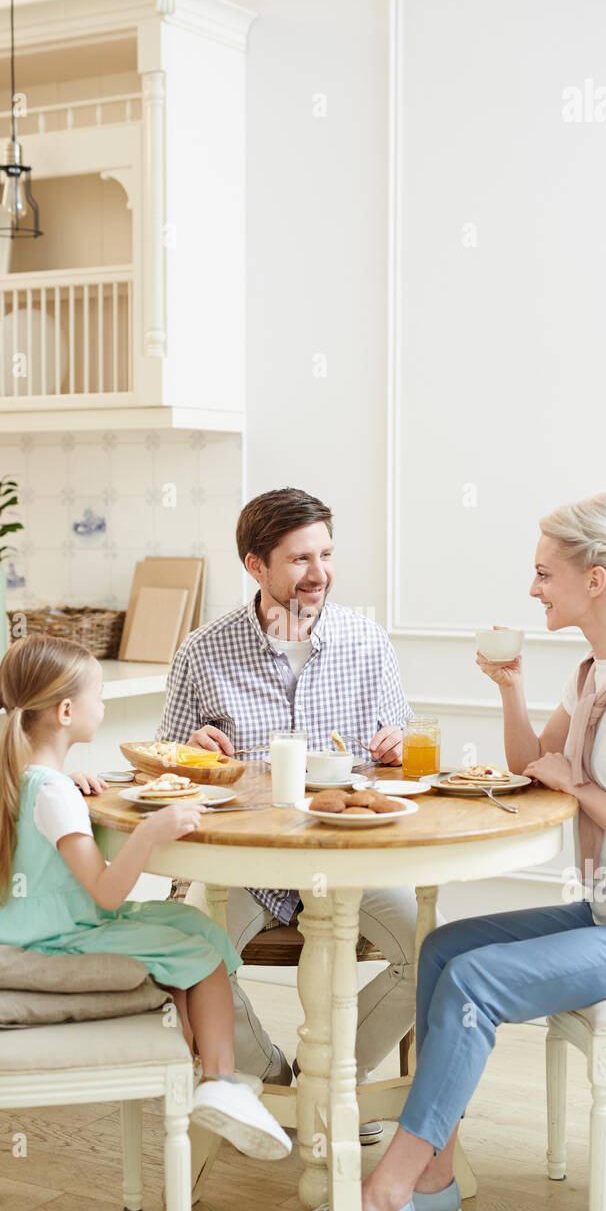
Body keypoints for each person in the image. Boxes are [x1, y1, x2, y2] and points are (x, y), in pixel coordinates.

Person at [272, 490, 606, 1211]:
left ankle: (380, 1202)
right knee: (444, 951)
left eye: (544, 573)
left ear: (596, 580)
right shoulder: (597, 670)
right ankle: (435, 1180)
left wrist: (580, 786)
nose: (533, 589)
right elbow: (534, 765)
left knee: (477, 981)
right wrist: (511, 687)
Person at [0, 633, 292, 1162]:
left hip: (33, 926)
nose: (104, 704)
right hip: (58, 941)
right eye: (99, 695)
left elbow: (52, 821)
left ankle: (199, 1075)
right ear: (67, 711)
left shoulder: (32, 778)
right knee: (202, 954)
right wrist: (149, 833)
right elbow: (108, 895)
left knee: (192, 923)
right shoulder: (55, 792)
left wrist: (72, 786)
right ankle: (221, 1082)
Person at [157, 487, 424, 1140]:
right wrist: (190, 755)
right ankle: (270, 1085)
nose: (320, 573)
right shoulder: (203, 651)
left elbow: (409, 755)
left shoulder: (366, 643)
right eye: (300, 559)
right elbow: (163, 768)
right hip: (243, 866)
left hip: (350, 859)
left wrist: (397, 749)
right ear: (256, 566)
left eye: (326, 554)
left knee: (430, 957)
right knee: (181, 959)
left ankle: (329, 1077)